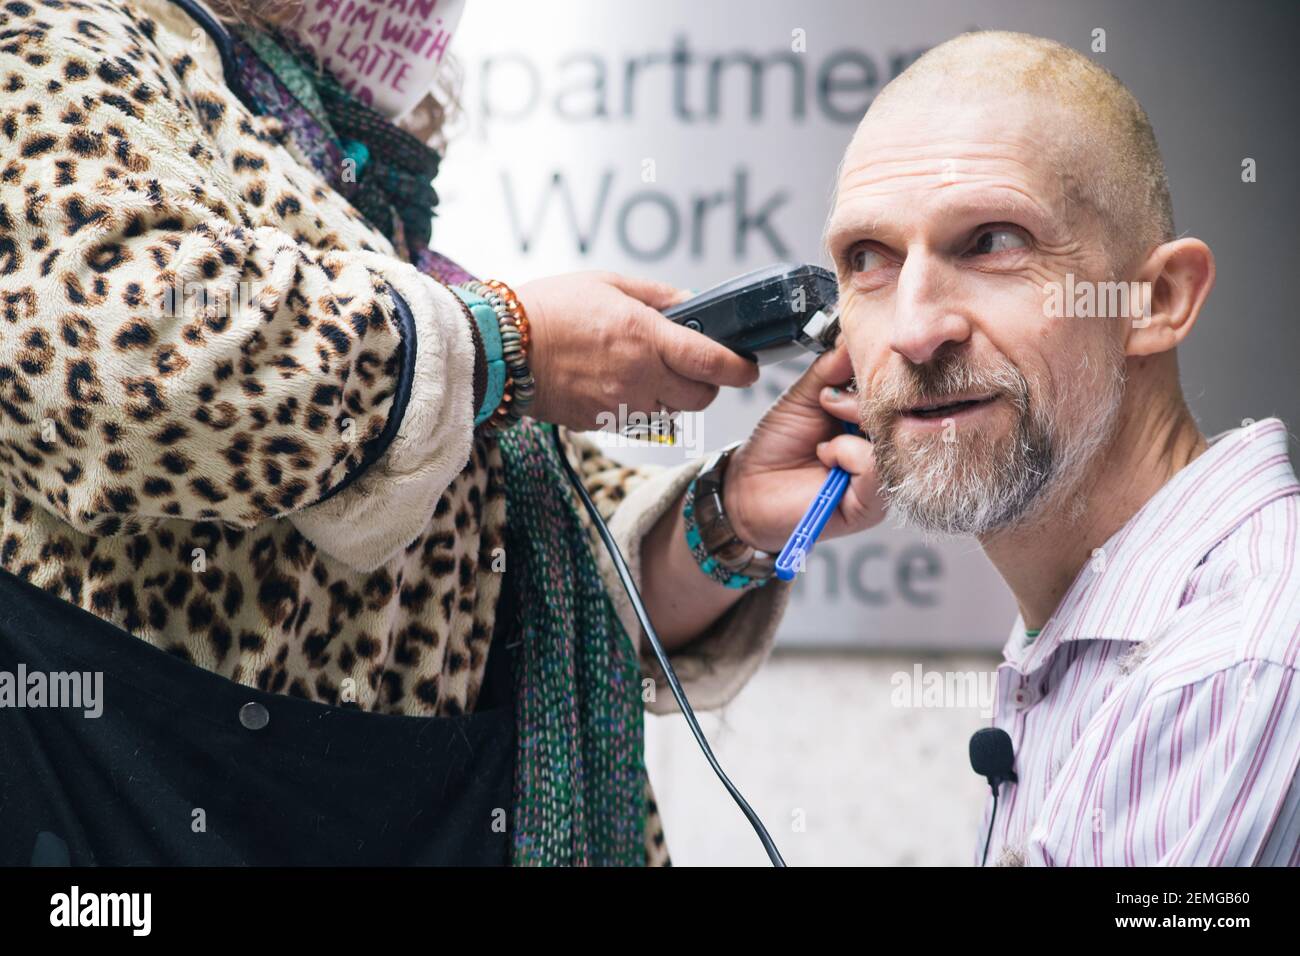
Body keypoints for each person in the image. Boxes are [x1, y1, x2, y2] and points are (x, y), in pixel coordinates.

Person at [0, 0, 879, 866]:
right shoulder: (53, 36)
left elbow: (555, 590)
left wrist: (734, 518)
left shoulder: (353, 184)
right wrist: (503, 345)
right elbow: (130, 358)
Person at [817, 30, 1300, 865]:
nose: (915, 330)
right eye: (869, 259)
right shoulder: (1102, 628)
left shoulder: (1238, 663)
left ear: (1155, 300)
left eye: (994, 242)